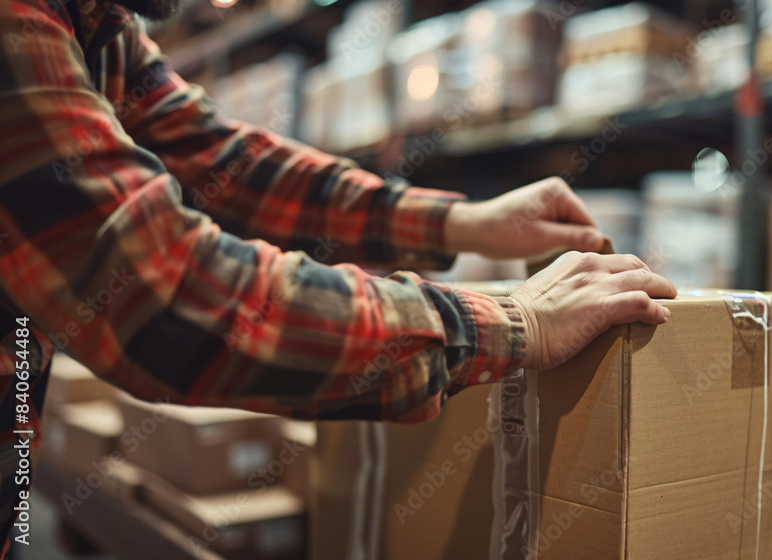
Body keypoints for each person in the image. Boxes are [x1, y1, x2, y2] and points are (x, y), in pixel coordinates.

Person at [0, 0, 677, 553]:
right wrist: (511, 324)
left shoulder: (100, 24)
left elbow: (221, 159)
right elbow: (166, 296)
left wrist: (457, 222)